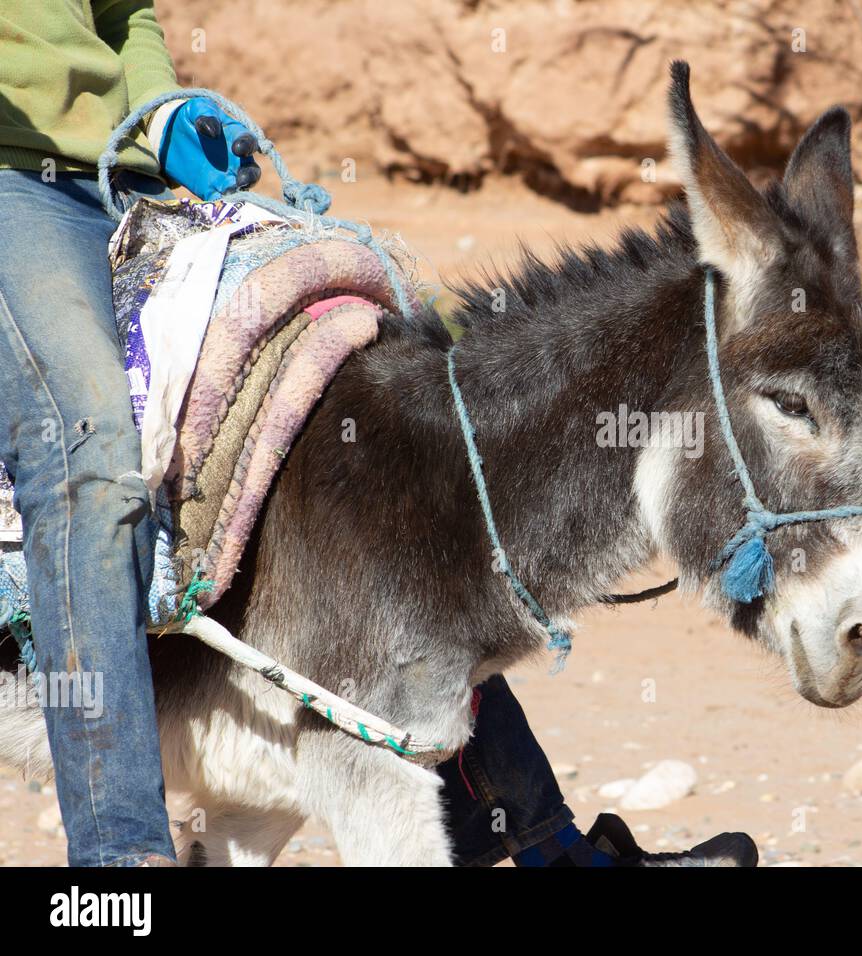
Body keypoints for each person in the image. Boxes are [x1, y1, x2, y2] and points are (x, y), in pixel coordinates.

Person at [0, 1, 756, 867]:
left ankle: (550, 849)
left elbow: (122, 11)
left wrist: (162, 106)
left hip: (123, 182)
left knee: (380, 423)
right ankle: (118, 862)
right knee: (89, 452)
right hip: (11, 189)